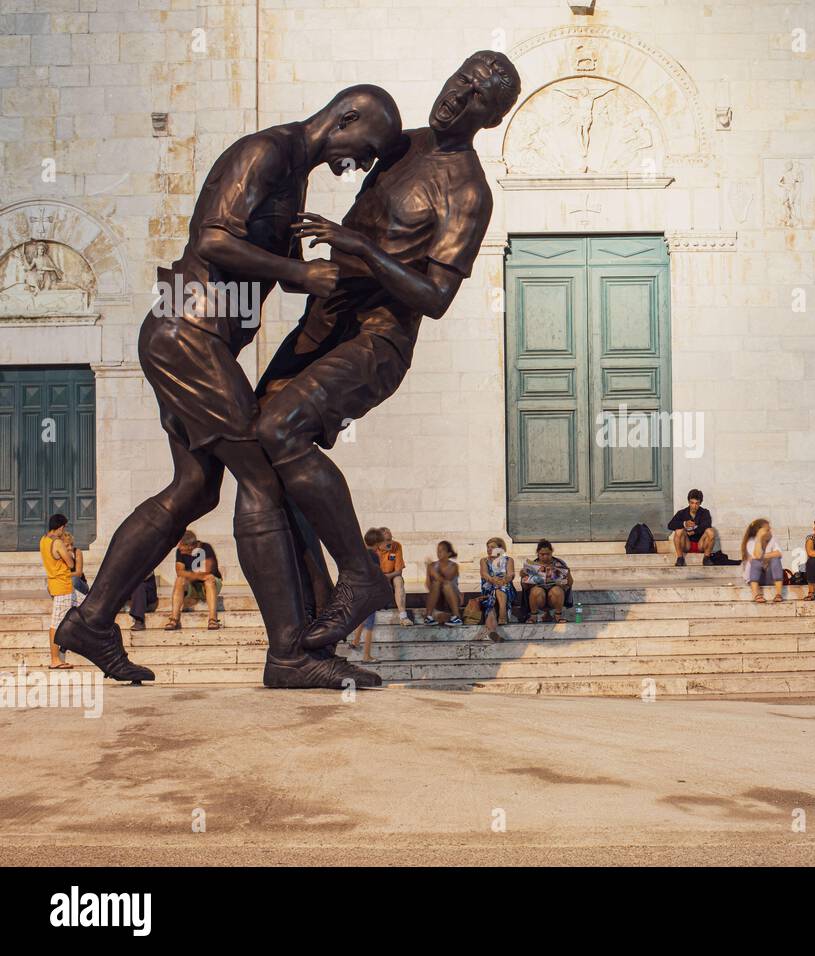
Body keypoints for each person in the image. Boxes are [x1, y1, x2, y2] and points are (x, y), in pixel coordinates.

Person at [53, 86, 404, 689]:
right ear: (344, 118)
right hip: (185, 330)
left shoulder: (295, 176)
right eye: (364, 149)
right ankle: (290, 655)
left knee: (193, 490)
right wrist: (299, 270)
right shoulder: (265, 151)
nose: (361, 164)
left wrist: (358, 259)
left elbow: (281, 275)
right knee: (264, 474)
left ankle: (92, 620)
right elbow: (211, 239)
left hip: (197, 339)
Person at [253, 51, 522, 654]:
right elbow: (324, 152)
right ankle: (309, 621)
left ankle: (361, 574)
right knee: (256, 446)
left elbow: (435, 298)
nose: (456, 95)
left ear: (490, 116)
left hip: (378, 340)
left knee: (278, 428)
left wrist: (362, 248)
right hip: (324, 320)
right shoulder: (400, 144)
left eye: (475, 93)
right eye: (459, 79)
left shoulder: (469, 193)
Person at [164, 530, 223, 630]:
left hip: (211, 585)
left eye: (181, 544)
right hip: (193, 585)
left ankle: (213, 619)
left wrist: (190, 575)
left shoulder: (206, 548)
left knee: (209, 580)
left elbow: (207, 571)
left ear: (190, 546)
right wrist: (197, 576)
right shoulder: (179, 551)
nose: (178, 547)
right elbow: (180, 572)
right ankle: (174, 619)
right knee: (179, 580)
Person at [39, 514, 77, 669]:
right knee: (56, 623)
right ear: (61, 527)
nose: (64, 530)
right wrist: (70, 555)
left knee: (86, 604)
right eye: (64, 527)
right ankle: (55, 659)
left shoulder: (43, 541)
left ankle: (59, 657)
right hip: (63, 586)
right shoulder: (58, 543)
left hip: (55, 585)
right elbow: (70, 563)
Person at [348, 528, 385, 662]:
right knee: (370, 625)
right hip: (370, 594)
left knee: (363, 619)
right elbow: (375, 574)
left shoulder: (361, 554)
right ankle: (366, 656)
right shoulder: (374, 556)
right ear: (377, 543)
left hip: (359, 592)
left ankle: (355, 641)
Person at [522, 540, 575, 623]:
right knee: (536, 591)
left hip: (554, 599)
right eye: (542, 554)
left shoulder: (559, 563)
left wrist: (567, 573)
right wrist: (524, 577)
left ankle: (558, 615)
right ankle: (533, 616)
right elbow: (525, 588)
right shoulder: (532, 565)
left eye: (548, 554)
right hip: (539, 599)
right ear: (537, 553)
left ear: (552, 552)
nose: (545, 557)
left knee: (557, 590)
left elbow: (570, 583)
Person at [477, 537, 517, 643]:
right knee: (490, 608)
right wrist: (493, 580)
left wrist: (504, 580)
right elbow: (484, 574)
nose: (489, 549)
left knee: (500, 589)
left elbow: (511, 574)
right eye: (488, 547)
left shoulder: (508, 560)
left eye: (492, 547)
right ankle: (493, 631)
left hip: (506, 588)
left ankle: (502, 611)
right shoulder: (484, 561)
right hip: (489, 590)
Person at [667, 489, 716, 567]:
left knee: (711, 531)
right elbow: (670, 525)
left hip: (701, 544)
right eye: (692, 503)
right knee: (678, 531)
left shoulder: (705, 512)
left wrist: (695, 531)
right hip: (686, 544)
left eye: (697, 503)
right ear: (689, 502)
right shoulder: (682, 513)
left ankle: (706, 558)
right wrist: (684, 524)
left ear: (700, 503)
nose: (694, 506)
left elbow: (707, 524)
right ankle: (680, 558)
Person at [740, 518, 784, 603]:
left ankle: (778, 594)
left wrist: (763, 556)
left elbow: (779, 553)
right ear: (759, 531)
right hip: (754, 578)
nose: (770, 531)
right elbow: (757, 555)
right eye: (767, 529)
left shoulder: (772, 539)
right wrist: (759, 538)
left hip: (768, 577)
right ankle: (756, 594)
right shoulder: (751, 541)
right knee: (756, 562)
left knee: (775, 559)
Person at [376, 527, 412, 625]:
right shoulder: (371, 549)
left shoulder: (396, 546)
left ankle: (403, 617)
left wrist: (388, 577)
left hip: (391, 576)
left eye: (391, 539)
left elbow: (398, 571)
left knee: (398, 580)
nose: (390, 542)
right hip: (376, 579)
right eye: (388, 540)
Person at [424, 540, 464, 626]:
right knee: (436, 583)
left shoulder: (453, 566)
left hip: (452, 599)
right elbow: (428, 585)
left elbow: (447, 581)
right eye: (438, 550)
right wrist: (430, 573)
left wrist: (434, 573)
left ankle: (456, 617)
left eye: (442, 550)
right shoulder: (431, 565)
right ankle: (428, 616)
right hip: (438, 600)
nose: (439, 552)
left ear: (449, 553)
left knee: (446, 585)